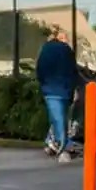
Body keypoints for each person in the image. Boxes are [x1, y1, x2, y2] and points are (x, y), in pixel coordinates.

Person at [36, 28, 79, 162]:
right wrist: (73, 88)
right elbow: (73, 70)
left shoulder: (46, 50)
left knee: (57, 119)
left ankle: (58, 144)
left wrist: (43, 84)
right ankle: (63, 147)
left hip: (50, 89)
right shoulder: (66, 50)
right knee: (62, 118)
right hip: (64, 90)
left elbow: (40, 69)